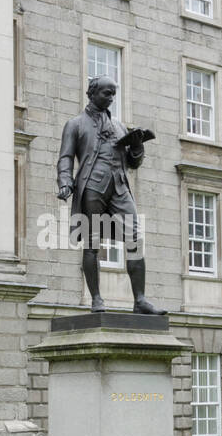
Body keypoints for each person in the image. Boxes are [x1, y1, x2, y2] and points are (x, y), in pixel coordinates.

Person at [57, 76, 165, 314]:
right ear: (92, 93)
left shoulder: (119, 126)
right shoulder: (75, 124)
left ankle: (140, 300)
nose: (111, 98)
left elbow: (132, 164)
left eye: (113, 94)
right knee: (93, 243)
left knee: (135, 240)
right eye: (107, 93)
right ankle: (96, 299)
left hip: (119, 187)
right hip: (93, 187)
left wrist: (137, 146)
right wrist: (65, 180)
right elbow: (65, 157)